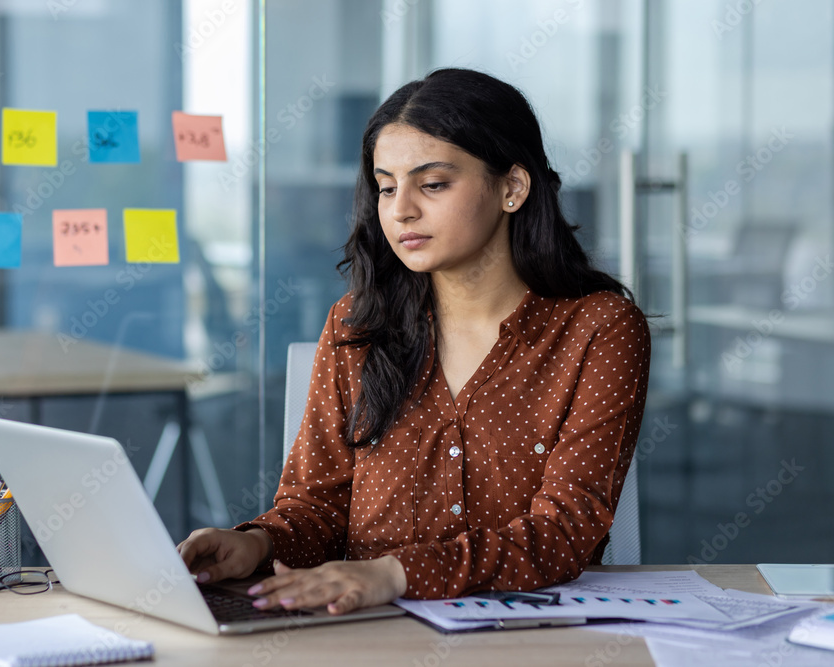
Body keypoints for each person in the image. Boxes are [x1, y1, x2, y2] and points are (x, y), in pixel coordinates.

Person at [178, 67, 651, 617]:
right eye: (386, 186)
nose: (400, 209)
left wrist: (396, 574)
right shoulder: (356, 325)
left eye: (432, 184)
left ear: (512, 188)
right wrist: (257, 543)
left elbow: (563, 530)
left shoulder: (599, 329)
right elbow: (318, 506)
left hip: (529, 632)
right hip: (359, 624)